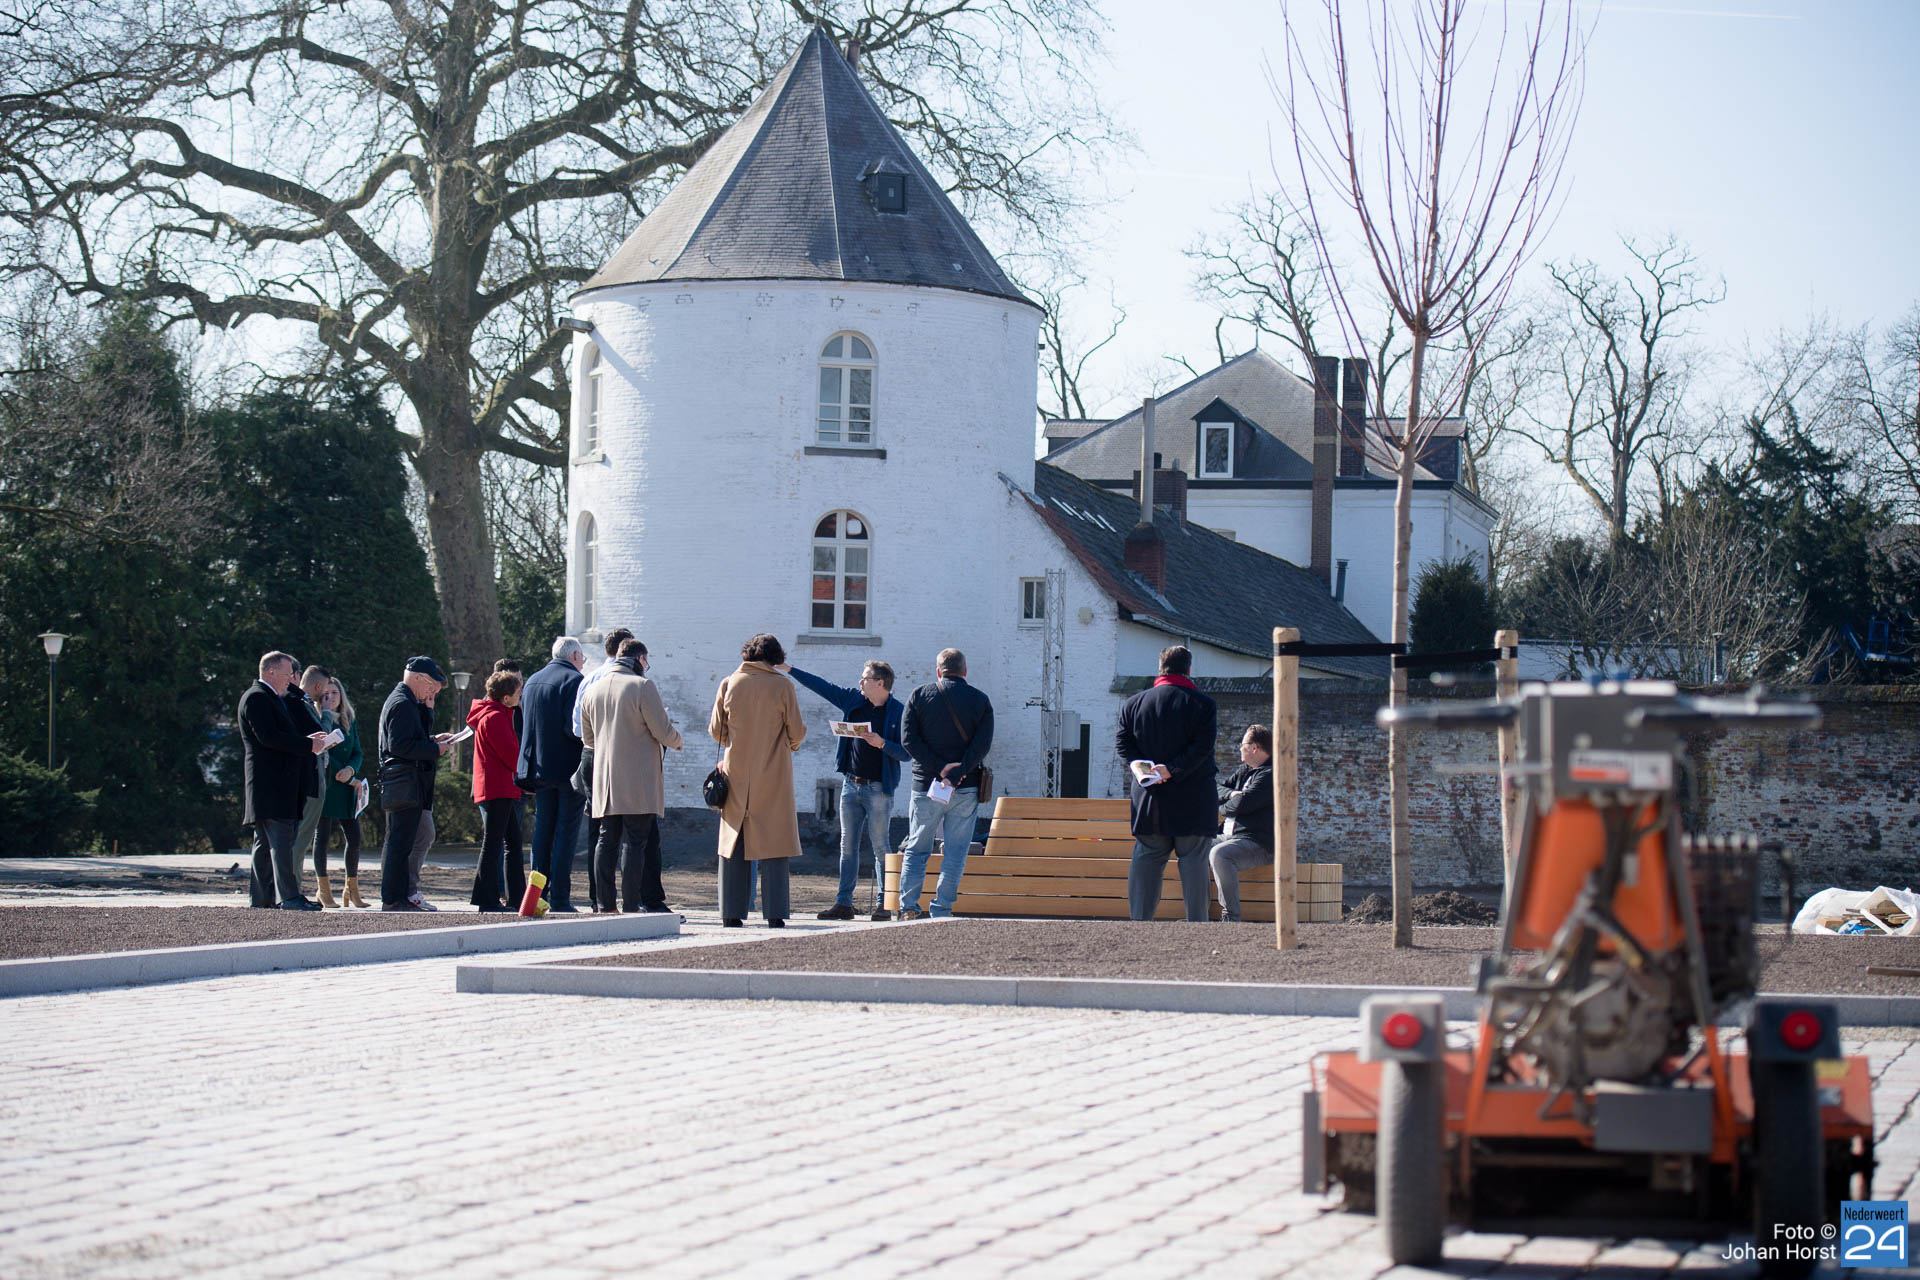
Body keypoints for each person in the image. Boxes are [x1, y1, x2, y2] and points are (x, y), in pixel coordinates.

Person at [783, 659, 909, 921]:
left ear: (880, 683)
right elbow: (823, 687)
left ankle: (885, 905)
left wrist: (882, 743)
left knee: (880, 847)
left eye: (865, 678)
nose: (860, 682)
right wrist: (790, 669)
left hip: (879, 790)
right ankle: (844, 904)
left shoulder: (898, 712)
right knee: (847, 847)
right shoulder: (854, 700)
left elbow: (907, 753)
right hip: (851, 785)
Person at [1116, 645, 1219, 921]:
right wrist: (1172, 770)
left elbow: (1123, 744)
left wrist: (1144, 769)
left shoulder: (1133, 704)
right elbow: (1202, 749)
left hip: (1150, 799)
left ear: (1160, 668)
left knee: (1147, 855)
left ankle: (1140, 920)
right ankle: (1197, 922)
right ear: (1189, 669)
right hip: (1193, 797)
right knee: (1194, 859)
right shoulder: (1203, 706)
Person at [709, 634, 805, 928]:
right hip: (773, 771)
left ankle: (731, 913)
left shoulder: (729, 683)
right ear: (774, 657)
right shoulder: (782, 686)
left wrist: (735, 742)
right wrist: (786, 745)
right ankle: (775, 914)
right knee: (774, 841)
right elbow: (797, 732)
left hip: (736, 769)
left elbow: (716, 730)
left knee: (734, 839)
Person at [580, 638, 683, 913]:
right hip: (638, 777)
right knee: (636, 841)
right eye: (646, 661)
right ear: (639, 660)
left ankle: (604, 903)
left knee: (606, 839)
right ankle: (630, 904)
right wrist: (678, 740)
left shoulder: (593, 688)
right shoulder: (642, 686)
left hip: (605, 777)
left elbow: (588, 739)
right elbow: (662, 730)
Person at [897, 648, 994, 921]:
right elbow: (982, 745)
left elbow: (909, 741)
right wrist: (959, 771)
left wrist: (940, 769)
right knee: (956, 850)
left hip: (926, 785)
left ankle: (909, 908)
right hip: (966, 787)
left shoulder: (919, 695)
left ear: (938, 671)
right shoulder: (980, 700)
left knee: (917, 847)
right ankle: (941, 908)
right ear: (965, 671)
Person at [241, 651, 330, 910]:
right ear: (271, 672)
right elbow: (269, 737)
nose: (291, 679)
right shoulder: (258, 697)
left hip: (274, 784)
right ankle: (289, 897)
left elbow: (280, 735)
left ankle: (263, 898)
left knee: (267, 844)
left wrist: (308, 739)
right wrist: (307, 744)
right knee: (280, 844)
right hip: (272, 784)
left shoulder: (272, 698)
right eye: (287, 673)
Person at [378, 656, 454, 911]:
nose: (432, 691)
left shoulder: (407, 702)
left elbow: (411, 738)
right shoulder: (402, 704)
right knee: (400, 843)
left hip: (407, 782)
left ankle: (399, 895)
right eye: (431, 685)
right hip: (404, 782)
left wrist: (431, 729)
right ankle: (394, 897)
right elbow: (399, 746)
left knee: (404, 840)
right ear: (418, 677)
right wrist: (435, 749)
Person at [518, 636, 587, 911]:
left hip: (538, 767)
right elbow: (574, 728)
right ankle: (560, 896)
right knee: (565, 833)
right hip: (567, 767)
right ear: (574, 656)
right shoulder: (574, 681)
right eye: (582, 658)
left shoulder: (533, 680)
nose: (583, 663)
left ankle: (535, 895)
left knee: (542, 832)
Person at [571, 628, 633, 912]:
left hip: (592, 754)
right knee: (633, 831)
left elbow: (577, 726)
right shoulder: (634, 681)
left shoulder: (589, 679)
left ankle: (600, 900)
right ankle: (636, 899)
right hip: (620, 757)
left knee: (600, 832)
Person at [467, 670, 525, 911]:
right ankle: (487, 898)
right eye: (517, 693)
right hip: (497, 787)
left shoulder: (493, 714)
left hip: (497, 787)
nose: (520, 697)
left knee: (510, 841)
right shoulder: (496, 718)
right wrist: (525, 775)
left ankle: (512, 897)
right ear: (506, 698)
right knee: (495, 844)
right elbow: (511, 754)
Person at [1208, 725, 1276, 923]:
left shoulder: (1270, 774)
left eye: (1243, 744)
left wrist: (1223, 807)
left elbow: (1242, 805)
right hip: (1229, 837)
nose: (1239, 748)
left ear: (1254, 748)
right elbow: (1215, 788)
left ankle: (1231, 917)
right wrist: (1231, 794)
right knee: (1194, 848)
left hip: (1257, 843)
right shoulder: (1245, 771)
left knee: (1219, 854)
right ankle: (1199, 914)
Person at [313, 676, 366, 909]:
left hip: (348, 786)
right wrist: (339, 770)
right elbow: (322, 751)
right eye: (326, 694)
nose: (331, 698)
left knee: (354, 838)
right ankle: (323, 890)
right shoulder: (318, 719)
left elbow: (357, 751)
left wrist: (351, 770)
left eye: (335, 693)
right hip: (328, 784)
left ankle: (351, 888)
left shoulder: (348, 719)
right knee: (322, 837)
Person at [287, 664, 332, 897]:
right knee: (301, 837)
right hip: (310, 779)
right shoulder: (302, 702)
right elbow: (320, 736)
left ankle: (292, 885)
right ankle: (292, 886)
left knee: (300, 837)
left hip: (311, 778)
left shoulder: (298, 701)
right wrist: (326, 713)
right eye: (324, 689)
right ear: (317, 686)